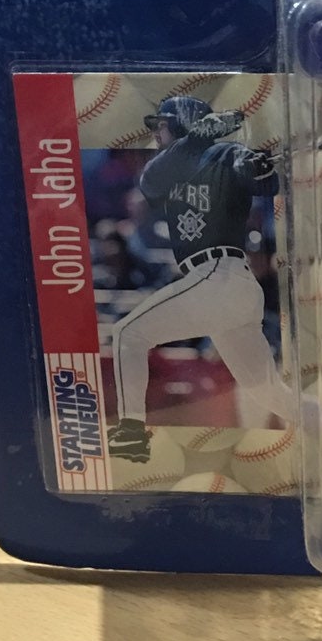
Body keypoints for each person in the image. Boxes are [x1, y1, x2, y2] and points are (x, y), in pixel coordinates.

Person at [106, 95, 283, 462]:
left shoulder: (227, 154)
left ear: (181, 123)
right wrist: (196, 138)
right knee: (271, 394)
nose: (156, 133)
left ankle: (131, 434)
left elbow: (266, 184)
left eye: (162, 125)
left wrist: (259, 167)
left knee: (127, 334)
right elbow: (150, 182)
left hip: (220, 272)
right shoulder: (172, 167)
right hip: (218, 282)